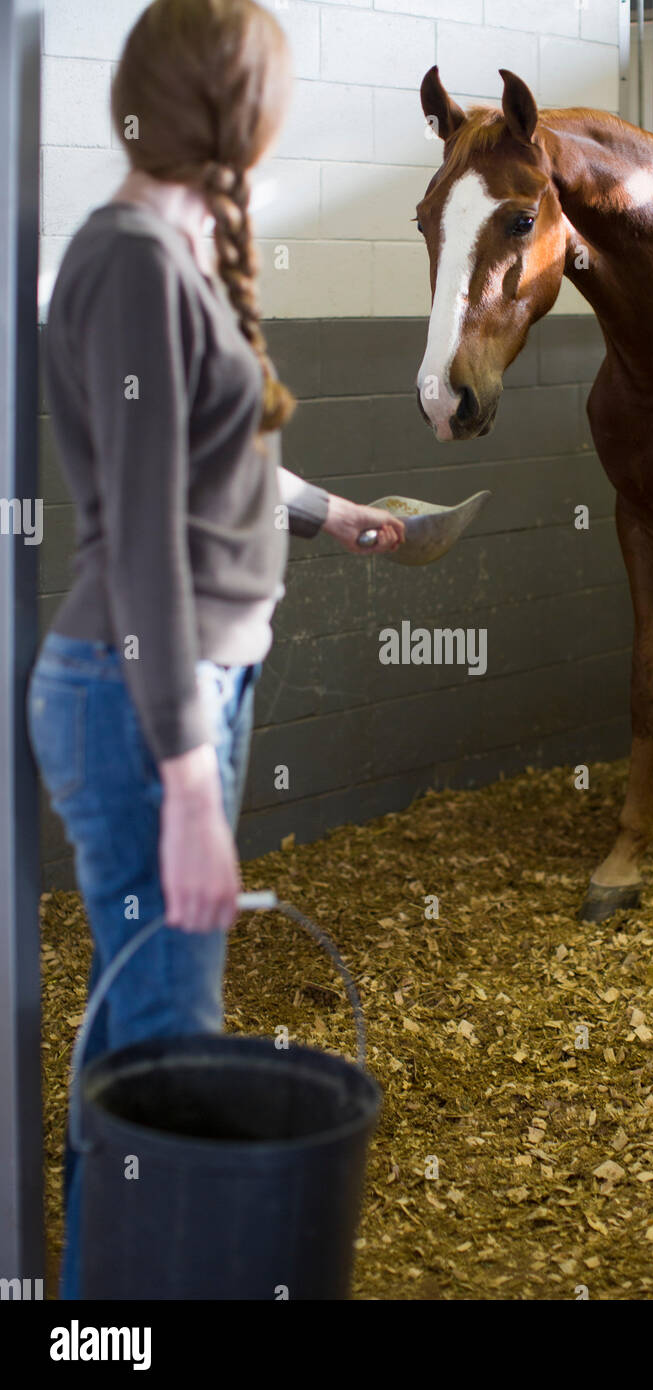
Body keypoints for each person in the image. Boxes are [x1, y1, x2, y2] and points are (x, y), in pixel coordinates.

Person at [26, 0, 404, 1299]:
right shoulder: (132, 264)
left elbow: (219, 462)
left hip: (177, 690)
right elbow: (140, 543)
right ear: (236, 111)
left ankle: (94, 1308)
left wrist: (327, 513)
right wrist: (189, 791)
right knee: (173, 1052)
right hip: (143, 698)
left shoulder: (173, 257)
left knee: (136, 1045)